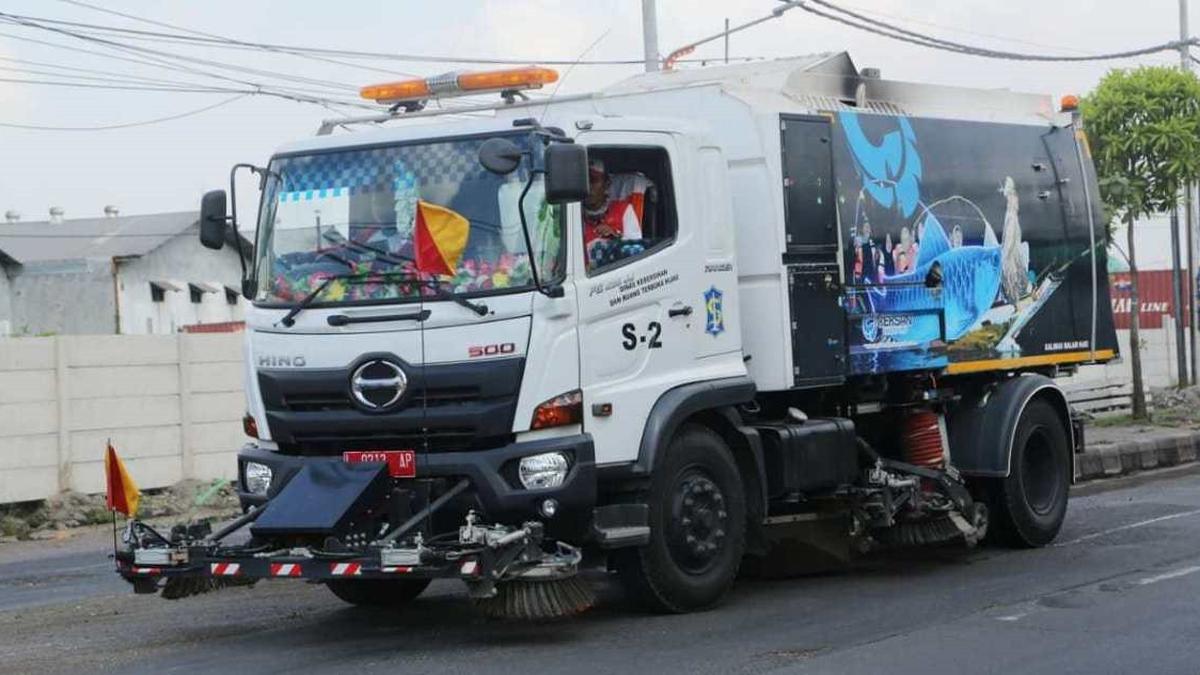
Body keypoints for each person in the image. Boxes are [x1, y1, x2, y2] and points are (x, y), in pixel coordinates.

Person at [583, 158, 645, 256]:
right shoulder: (571, 214)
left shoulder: (624, 210)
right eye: (583, 182)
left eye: (593, 180)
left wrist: (616, 237)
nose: (588, 187)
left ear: (606, 184)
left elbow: (636, 252)